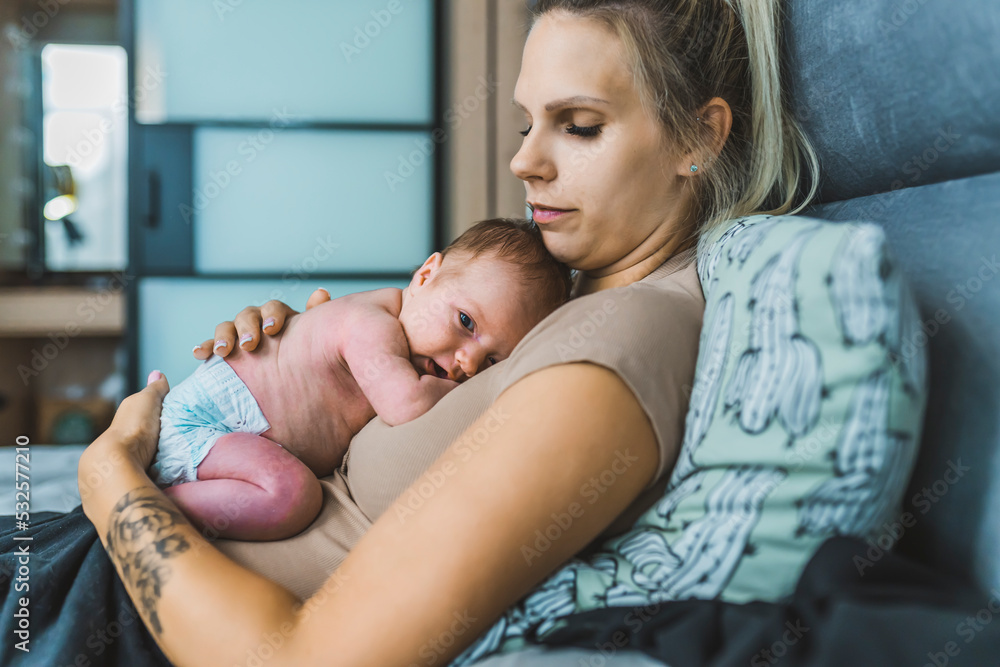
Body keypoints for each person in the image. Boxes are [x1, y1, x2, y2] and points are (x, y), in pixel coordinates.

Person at [73, 0, 820, 665]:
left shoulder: (625, 338)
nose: (522, 161)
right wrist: (290, 353)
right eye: (528, 123)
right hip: (126, 566)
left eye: (580, 125)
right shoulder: (560, 299)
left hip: (128, 611)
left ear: (701, 134)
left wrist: (110, 480)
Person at [148, 219, 571, 541]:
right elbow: (406, 405)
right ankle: (152, 508)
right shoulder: (371, 324)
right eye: (465, 321)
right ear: (425, 276)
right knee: (291, 496)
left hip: (230, 434)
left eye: (494, 360)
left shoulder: (404, 339)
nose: (468, 363)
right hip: (208, 424)